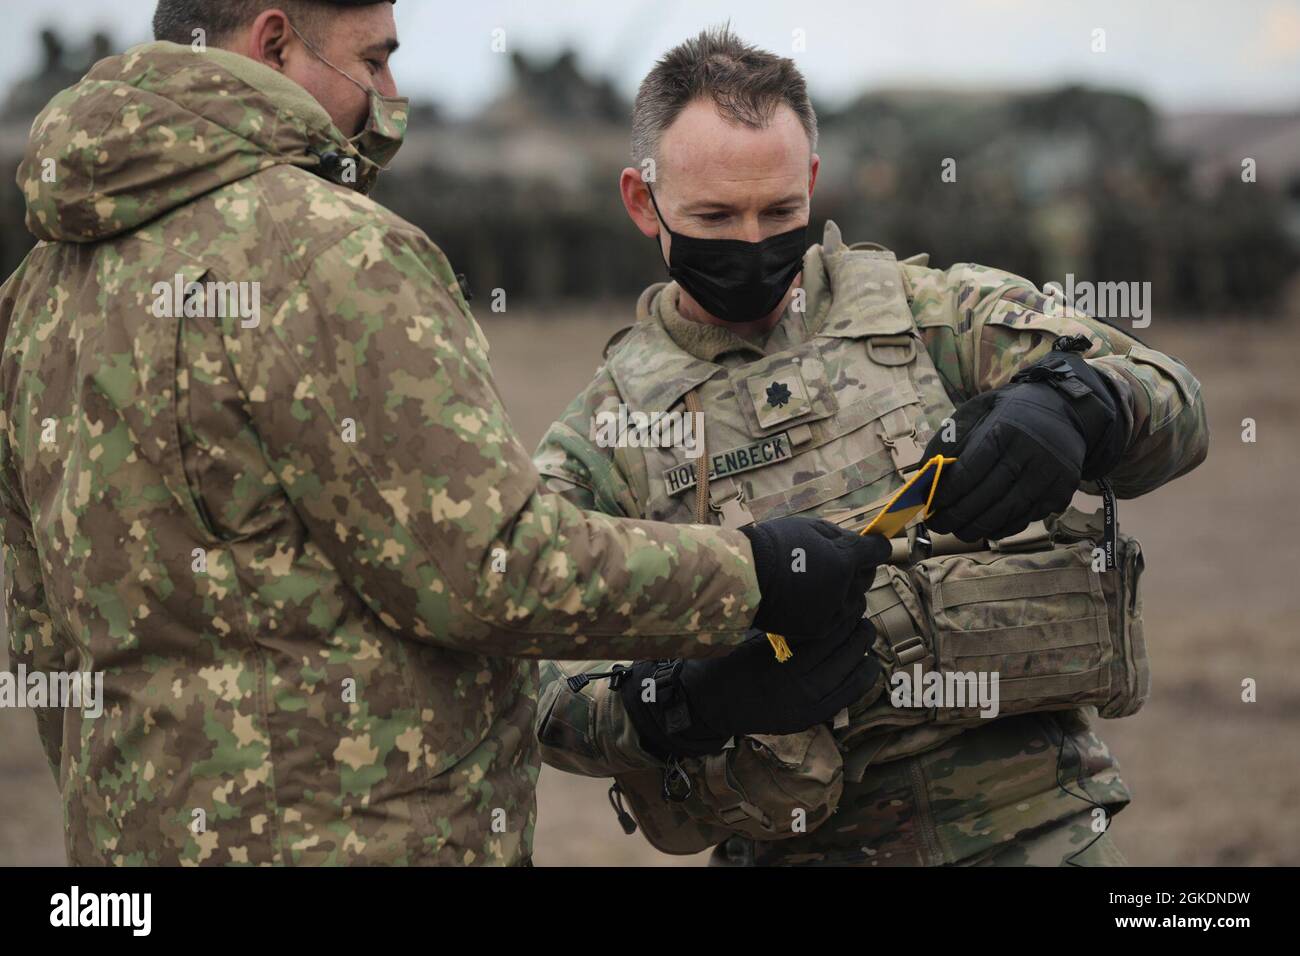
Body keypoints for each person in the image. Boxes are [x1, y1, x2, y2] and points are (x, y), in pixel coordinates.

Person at [0, 3, 883, 866]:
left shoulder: (37, 291)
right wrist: (759, 572)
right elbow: (491, 566)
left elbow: (41, 625)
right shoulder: (337, 254)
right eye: (374, 60)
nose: (390, 92)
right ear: (275, 40)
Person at [534, 26, 1209, 866]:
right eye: (714, 216)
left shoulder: (929, 316)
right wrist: (692, 702)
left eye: (779, 212)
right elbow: (527, 682)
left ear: (812, 182)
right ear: (643, 201)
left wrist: (1077, 406)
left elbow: (1177, 398)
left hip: (1040, 831)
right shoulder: (608, 432)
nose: (752, 243)